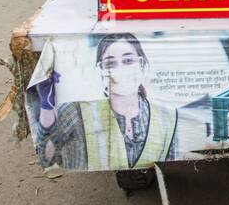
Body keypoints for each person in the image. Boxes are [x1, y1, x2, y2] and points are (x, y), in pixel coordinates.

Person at [34, 34, 180, 169]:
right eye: (110, 64)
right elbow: (47, 159)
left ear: (142, 66)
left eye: (128, 60)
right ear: (101, 71)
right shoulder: (76, 113)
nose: (120, 70)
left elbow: (171, 162)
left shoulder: (166, 119)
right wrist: (46, 107)